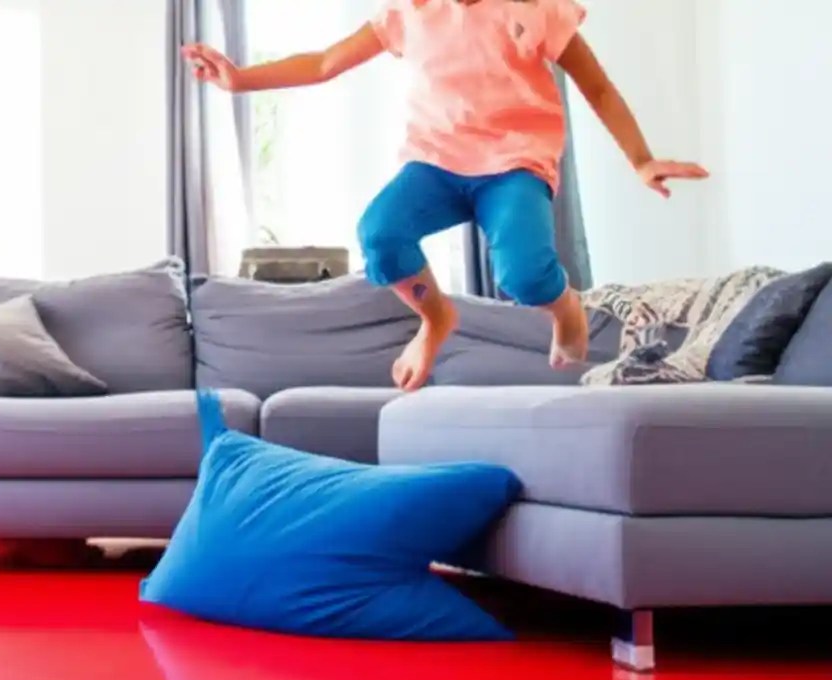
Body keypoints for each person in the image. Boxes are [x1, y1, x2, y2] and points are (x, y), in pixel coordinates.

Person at [183, 0, 708, 391]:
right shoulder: (408, 12)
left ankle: (566, 308)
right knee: (381, 235)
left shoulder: (534, 10)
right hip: (434, 164)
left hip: (514, 167)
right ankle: (437, 320)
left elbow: (597, 88)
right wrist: (241, 80)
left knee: (525, 276)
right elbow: (324, 63)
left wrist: (640, 158)